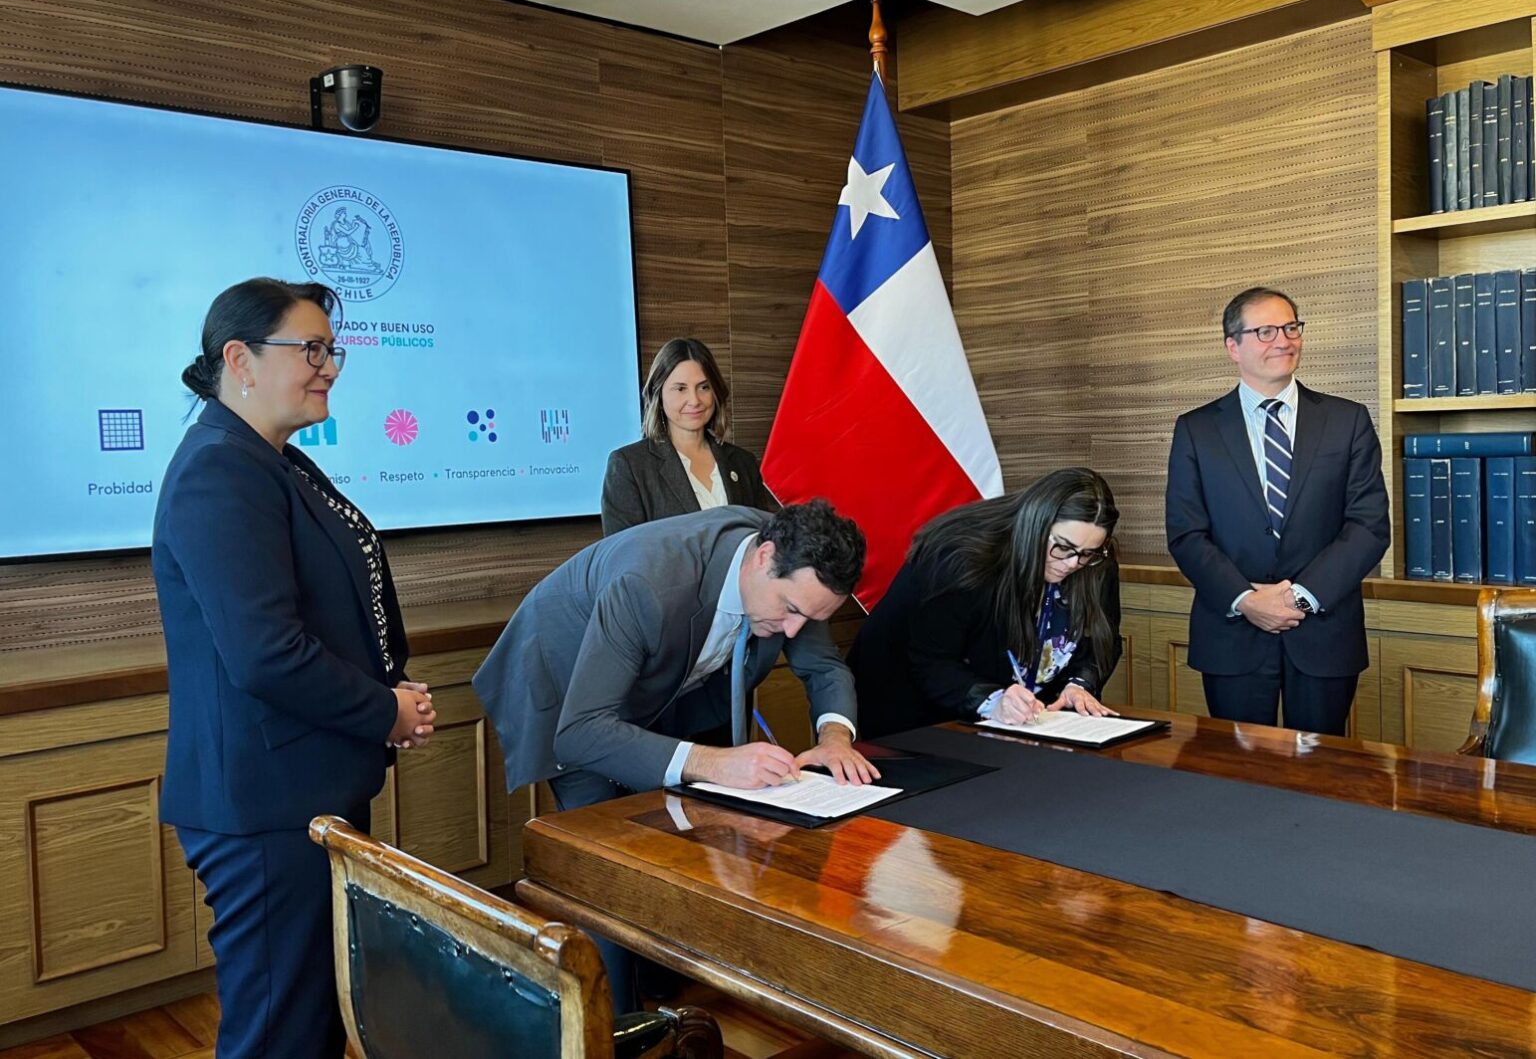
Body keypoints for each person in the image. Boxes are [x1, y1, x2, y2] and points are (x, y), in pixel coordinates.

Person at [153, 278, 437, 1059]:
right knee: (279, 1032)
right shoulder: (222, 469)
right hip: (264, 809)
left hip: (299, 791)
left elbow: (328, 610)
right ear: (239, 358)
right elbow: (266, 652)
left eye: (331, 349)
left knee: (311, 1023)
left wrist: (387, 687)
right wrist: (386, 711)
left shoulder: (270, 459)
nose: (331, 367)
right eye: (310, 349)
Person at [473, 499, 876, 1011]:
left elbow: (824, 669)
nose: (795, 630)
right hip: (563, 683)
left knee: (679, 834)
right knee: (604, 859)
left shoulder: (795, 572)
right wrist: (715, 762)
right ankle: (614, 1025)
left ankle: (662, 988)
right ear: (762, 557)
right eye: (792, 611)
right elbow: (581, 733)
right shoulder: (649, 582)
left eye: (812, 617)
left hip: (660, 683)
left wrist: (835, 738)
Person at [1165, 287, 1389, 735]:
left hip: (1323, 631)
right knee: (1241, 775)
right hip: (1233, 634)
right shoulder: (1196, 430)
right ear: (1233, 346)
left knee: (1323, 771)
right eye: (1265, 331)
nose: (1283, 340)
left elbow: (1368, 525)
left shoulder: (1347, 420)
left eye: (1291, 328)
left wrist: (1299, 596)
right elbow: (1186, 533)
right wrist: (1247, 600)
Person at [849, 468, 1123, 740]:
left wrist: (1079, 684)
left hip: (1012, 720)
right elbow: (931, 661)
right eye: (1063, 547)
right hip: (907, 703)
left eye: (1087, 553)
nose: (1073, 563)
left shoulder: (1095, 564)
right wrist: (991, 700)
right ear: (1035, 525)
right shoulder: (963, 559)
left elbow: (1102, 641)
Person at [601, 336, 776, 534]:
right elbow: (622, 556)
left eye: (704, 387)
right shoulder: (629, 466)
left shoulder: (743, 462)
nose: (694, 400)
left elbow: (764, 542)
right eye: (680, 389)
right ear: (658, 395)